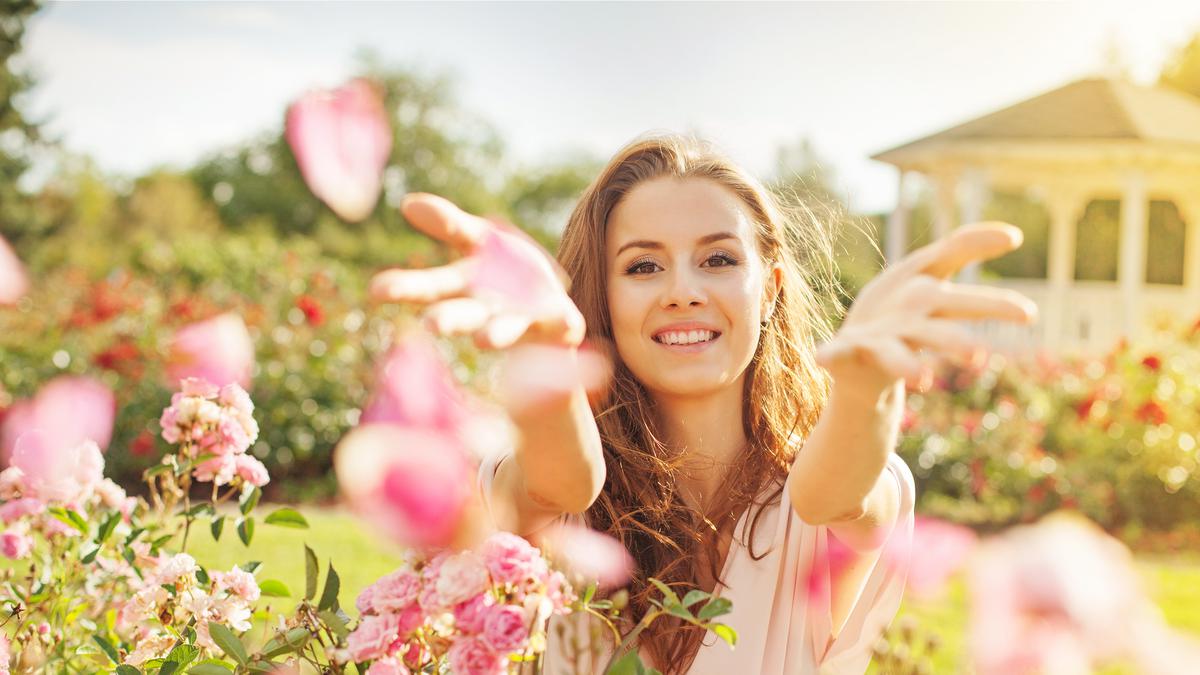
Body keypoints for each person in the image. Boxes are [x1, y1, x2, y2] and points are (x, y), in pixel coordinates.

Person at [370, 134, 1036, 674]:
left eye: (717, 260)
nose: (683, 290)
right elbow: (564, 480)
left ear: (770, 287)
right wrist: (551, 353)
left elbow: (831, 495)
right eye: (642, 266)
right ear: (601, 294)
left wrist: (864, 391)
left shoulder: (841, 490)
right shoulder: (547, 480)